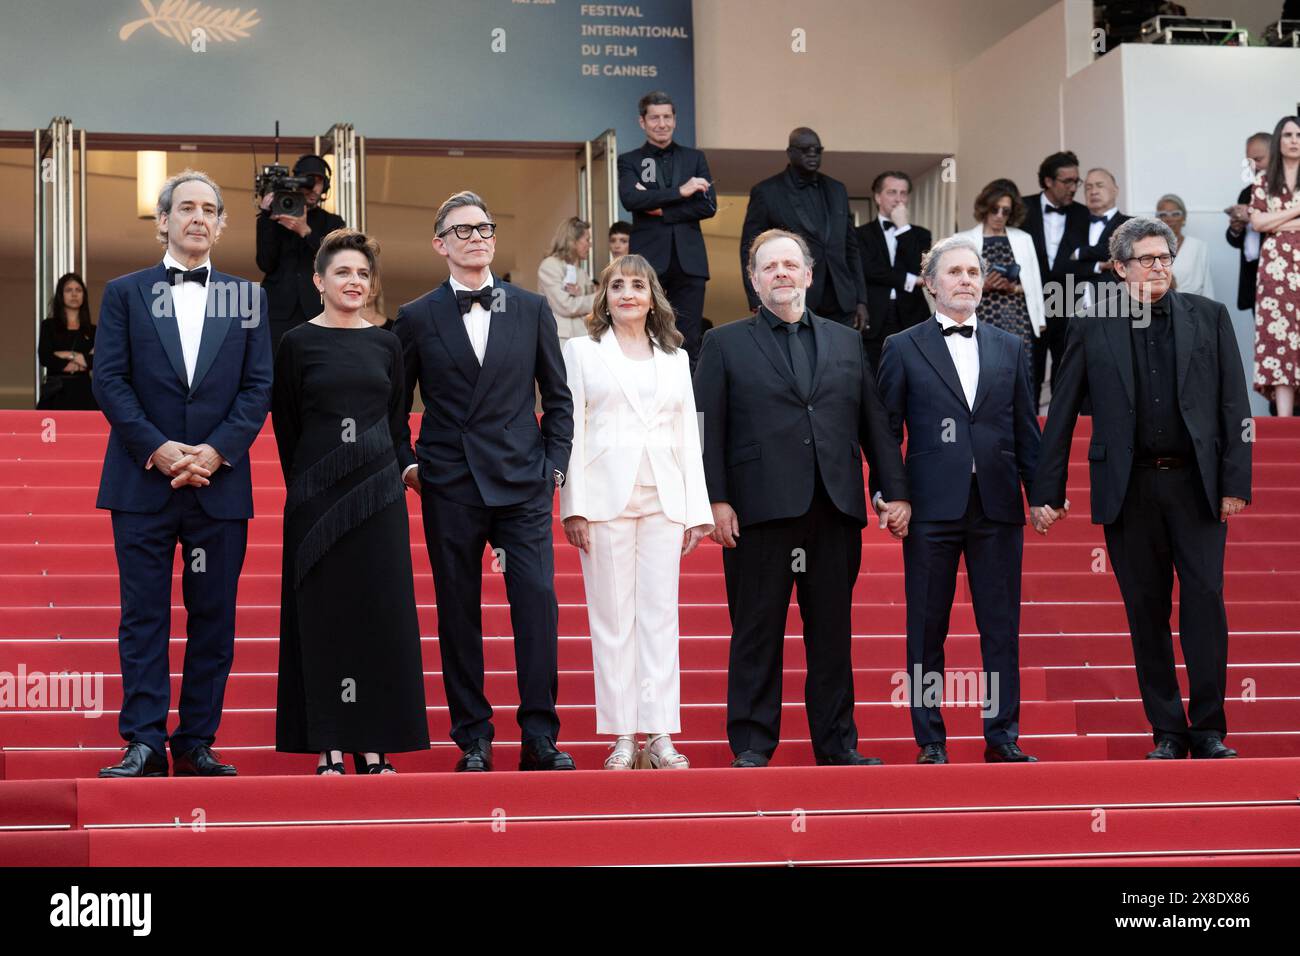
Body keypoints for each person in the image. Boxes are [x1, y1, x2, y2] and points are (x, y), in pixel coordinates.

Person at [1030, 217, 1253, 760]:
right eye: (1148, 260)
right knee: (1145, 610)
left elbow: (1234, 406)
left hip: (1195, 485)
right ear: (1119, 268)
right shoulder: (1092, 325)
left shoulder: (1210, 317)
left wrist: (1235, 482)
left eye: (1165, 259)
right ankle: (1169, 731)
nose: (1159, 268)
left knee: (1204, 602)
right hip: (1128, 490)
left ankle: (1208, 728)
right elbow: (1061, 413)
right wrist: (1046, 490)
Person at [693, 229, 909, 768]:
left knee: (833, 636)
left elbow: (873, 424)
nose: (781, 274)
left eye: (791, 265)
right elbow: (704, 430)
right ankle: (751, 744)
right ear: (754, 279)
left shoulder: (844, 340)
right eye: (770, 267)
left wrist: (891, 489)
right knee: (756, 632)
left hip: (833, 509)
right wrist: (714, 501)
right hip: (757, 512)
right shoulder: (724, 343)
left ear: (810, 275)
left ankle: (837, 745)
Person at [93, 170, 273, 777]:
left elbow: (258, 387)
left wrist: (216, 452)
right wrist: (160, 449)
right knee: (143, 613)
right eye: (186, 207)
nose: (198, 217)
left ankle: (196, 739)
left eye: (210, 209)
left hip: (220, 483)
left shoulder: (248, 297)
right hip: (143, 479)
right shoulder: (124, 292)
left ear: (221, 224)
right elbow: (109, 381)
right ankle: (142, 740)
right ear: (162, 221)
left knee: (213, 615)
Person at [393, 191, 575, 772]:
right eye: (462, 230)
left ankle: (539, 735)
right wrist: (410, 463)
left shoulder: (531, 308)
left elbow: (559, 397)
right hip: (450, 482)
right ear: (440, 244)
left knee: (537, 604)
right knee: (457, 610)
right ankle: (472, 735)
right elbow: (393, 404)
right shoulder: (417, 316)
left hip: (522, 480)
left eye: (484, 228)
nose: (476, 238)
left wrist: (555, 466)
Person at [873, 236, 1042, 764]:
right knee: (926, 627)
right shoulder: (902, 346)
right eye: (955, 272)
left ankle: (1002, 735)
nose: (967, 280)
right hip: (929, 508)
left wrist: (1040, 495)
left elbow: (1024, 429)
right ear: (931, 284)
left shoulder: (1010, 347)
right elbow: (885, 431)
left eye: (973, 272)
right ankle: (930, 739)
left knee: (1001, 627)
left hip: (997, 504)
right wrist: (891, 495)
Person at [272, 229, 429, 775]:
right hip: (316, 500)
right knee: (324, 618)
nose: (354, 282)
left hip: (379, 499)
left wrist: (396, 472)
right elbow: (287, 427)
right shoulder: (295, 343)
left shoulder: (387, 343)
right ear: (319, 281)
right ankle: (329, 743)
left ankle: (375, 742)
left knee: (377, 615)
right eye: (342, 272)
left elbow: (394, 422)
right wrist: (311, 484)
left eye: (363, 274)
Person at [559, 254, 713, 770]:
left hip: (664, 499)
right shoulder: (580, 352)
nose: (628, 293)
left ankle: (662, 734)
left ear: (653, 297)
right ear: (604, 296)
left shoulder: (674, 357)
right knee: (612, 621)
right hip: (603, 500)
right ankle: (624, 736)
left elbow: (688, 433)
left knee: (659, 619)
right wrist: (573, 504)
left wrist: (696, 509)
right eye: (617, 285)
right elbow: (571, 428)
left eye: (638, 285)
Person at [617, 91, 716, 364]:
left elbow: (708, 207)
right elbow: (631, 199)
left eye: (667, 117)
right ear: (642, 122)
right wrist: (682, 191)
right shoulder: (629, 160)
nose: (661, 123)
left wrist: (659, 208)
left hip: (691, 263)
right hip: (648, 262)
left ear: (674, 120)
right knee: (645, 332)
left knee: (689, 339)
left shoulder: (695, 158)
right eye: (654, 118)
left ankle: (691, 406)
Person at [739, 128, 867, 328]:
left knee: (842, 356)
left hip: (841, 296)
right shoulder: (767, 192)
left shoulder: (837, 189)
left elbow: (851, 248)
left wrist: (861, 299)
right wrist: (756, 299)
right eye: (806, 149)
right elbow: (751, 251)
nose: (812, 154)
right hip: (794, 295)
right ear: (791, 152)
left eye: (817, 150)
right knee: (797, 354)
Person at [255, 154, 345, 353]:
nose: (313, 188)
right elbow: (265, 263)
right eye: (307, 181)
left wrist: (305, 232)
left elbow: (337, 263)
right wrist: (266, 218)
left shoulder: (333, 223)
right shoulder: (275, 216)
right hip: (277, 312)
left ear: (326, 187)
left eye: (319, 182)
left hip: (317, 311)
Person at [954, 181, 1044, 375]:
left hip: (1016, 316)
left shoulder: (1023, 238)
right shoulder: (963, 240)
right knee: (982, 372)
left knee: (1018, 372)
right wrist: (982, 286)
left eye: (1006, 211)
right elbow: (954, 281)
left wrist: (1014, 289)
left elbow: (1034, 282)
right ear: (986, 208)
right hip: (980, 315)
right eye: (995, 209)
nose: (999, 216)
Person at [1021, 151, 1090, 404]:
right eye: (1067, 182)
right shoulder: (1021, 207)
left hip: (1068, 302)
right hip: (1029, 303)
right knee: (1029, 372)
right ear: (1048, 181)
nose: (1073, 188)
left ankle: (1064, 436)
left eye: (1076, 182)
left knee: (1068, 372)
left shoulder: (1084, 214)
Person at [1249, 115, 1300, 416]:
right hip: (1275, 270)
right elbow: (1256, 221)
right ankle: (1284, 419)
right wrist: (1296, 211)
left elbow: (1267, 221)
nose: (1294, 140)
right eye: (1288, 135)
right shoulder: (1263, 180)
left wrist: (1277, 221)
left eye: (1299, 134)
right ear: (1278, 140)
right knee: (1280, 339)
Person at [857, 171, 932, 370]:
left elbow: (920, 266)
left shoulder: (920, 234)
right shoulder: (859, 234)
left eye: (903, 193)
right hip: (874, 316)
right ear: (877, 197)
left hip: (912, 315)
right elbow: (870, 270)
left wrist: (903, 228)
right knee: (874, 377)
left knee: (914, 374)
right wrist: (910, 280)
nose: (898, 199)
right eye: (892, 192)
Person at [1064, 169, 1132, 312]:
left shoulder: (1130, 224)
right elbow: (1061, 267)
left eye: (1099, 185)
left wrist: (1080, 253)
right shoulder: (1073, 227)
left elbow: (1115, 250)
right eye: (1088, 187)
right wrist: (1098, 265)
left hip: (1117, 309)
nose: (1093, 191)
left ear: (1115, 190)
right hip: (1073, 311)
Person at [37, 272, 98, 410]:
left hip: (84, 392)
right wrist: (80, 358)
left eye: (78, 290)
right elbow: (45, 357)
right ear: (61, 295)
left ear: (84, 295)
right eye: (69, 290)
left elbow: (98, 359)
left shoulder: (93, 330)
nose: (74, 294)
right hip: (56, 391)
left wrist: (65, 354)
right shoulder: (49, 326)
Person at [1225, 132, 1271, 314]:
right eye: (1249, 161)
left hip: (1283, 276)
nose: (1254, 166)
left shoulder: (1289, 192)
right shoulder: (1247, 193)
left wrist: (1252, 216)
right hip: (1254, 280)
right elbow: (1237, 242)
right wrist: (1235, 229)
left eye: (1258, 159)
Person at [537, 216, 597, 346]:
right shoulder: (549, 266)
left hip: (584, 338)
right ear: (573, 240)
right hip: (561, 341)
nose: (590, 245)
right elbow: (566, 306)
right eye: (587, 240)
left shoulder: (581, 272)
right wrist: (597, 298)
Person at [1155, 194, 1214, 298]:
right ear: (1157, 219)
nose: (1169, 219)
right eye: (1163, 214)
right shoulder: (1149, 248)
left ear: (1184, 217)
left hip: (1193, 308)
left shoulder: (1198, 247)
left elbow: (1207, 288)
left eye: (1175, 214)